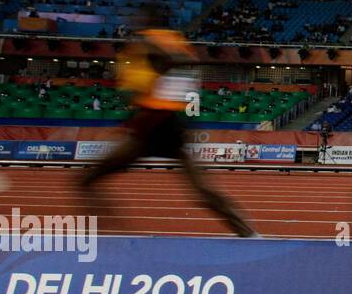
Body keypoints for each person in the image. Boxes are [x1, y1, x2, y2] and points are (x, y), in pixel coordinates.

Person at [80, 16, 255, 237]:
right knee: (203, 191)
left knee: (87, 181)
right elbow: (173, 77)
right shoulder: (170, 45)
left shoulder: (148, 47)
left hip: (154, 127)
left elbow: (157, 79)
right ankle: (249, 234)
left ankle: (111, 235)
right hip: (164, 127)